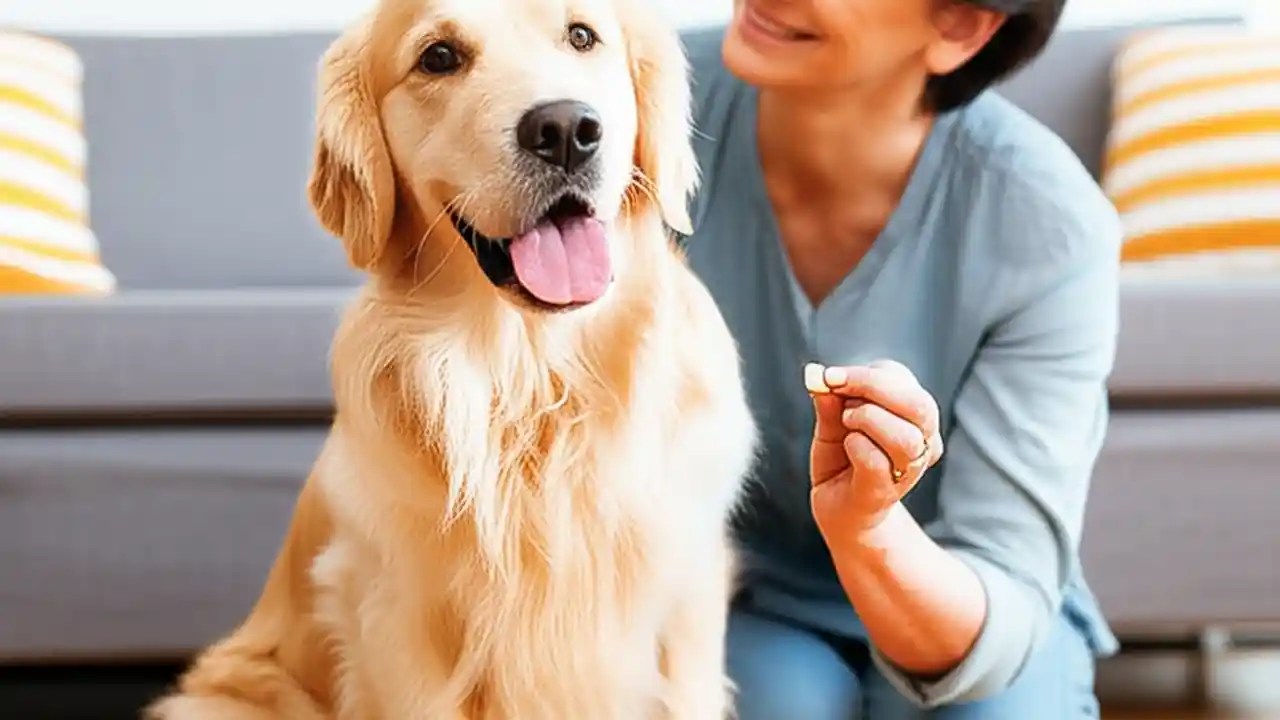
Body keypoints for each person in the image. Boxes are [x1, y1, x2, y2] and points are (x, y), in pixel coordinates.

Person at [677, 1, 1122, 717]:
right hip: (740, 594)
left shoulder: (1051, 226)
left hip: (961, 601)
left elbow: (1001, 589)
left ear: (959, 26)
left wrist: (869, 531)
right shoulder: (642, 97)